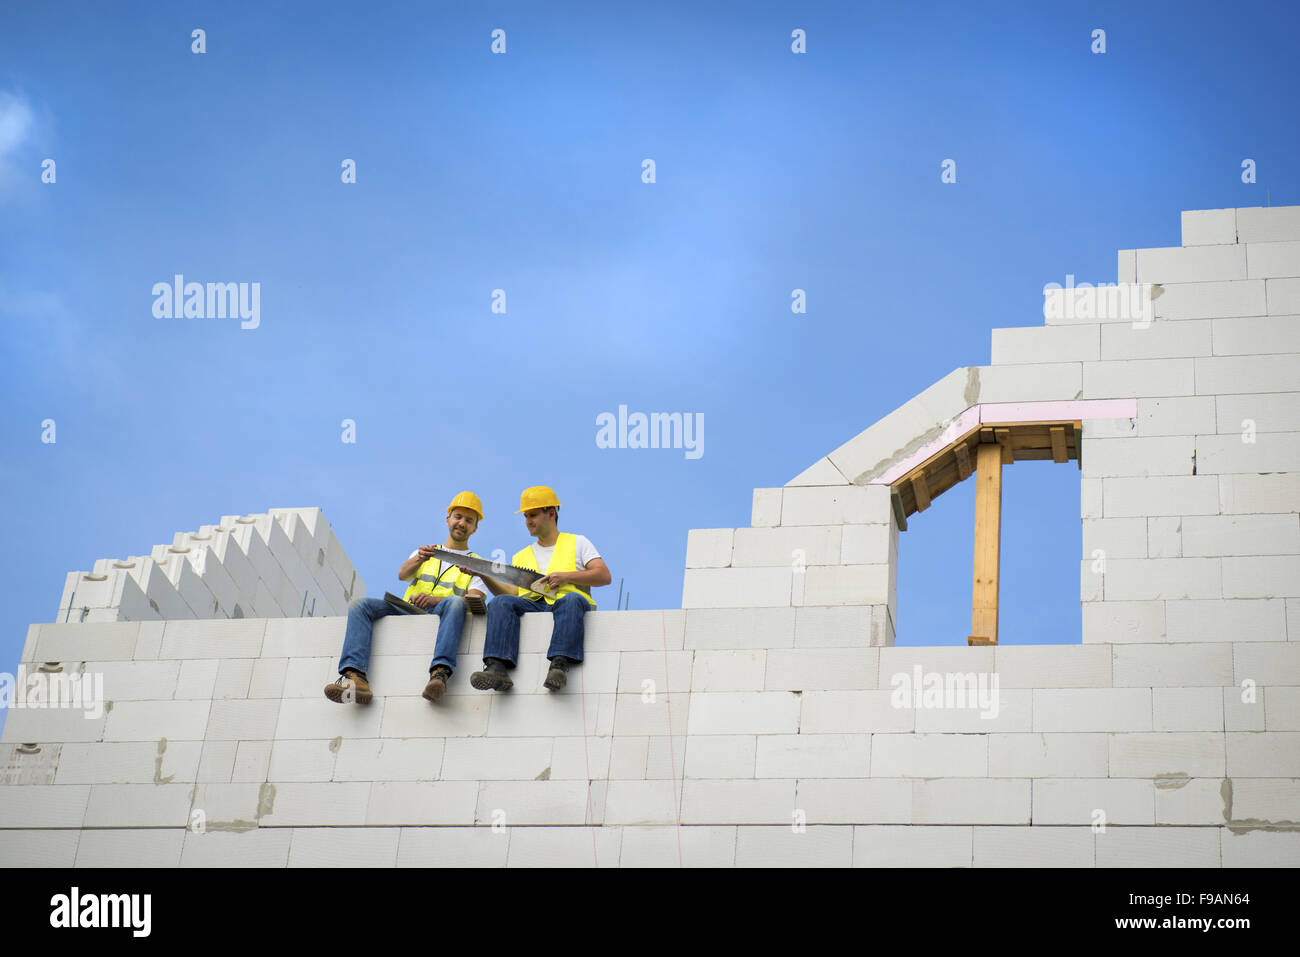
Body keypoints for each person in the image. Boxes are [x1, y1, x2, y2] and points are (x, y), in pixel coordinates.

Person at [324, 491, 508, 705]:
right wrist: (419, 559)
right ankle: (355, 678)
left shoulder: (477, 565)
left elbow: (474, 600)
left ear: (475, 528)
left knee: (456, 601)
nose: (462, 523)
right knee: (360, 605)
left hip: (444, 612)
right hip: (408, 609)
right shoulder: (426, 552)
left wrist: (433, 600)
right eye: (458, 517)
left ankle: (439, 674)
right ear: (448, 519)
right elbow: (402, 574)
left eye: (469, 520)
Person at [470, 486, 611, 692]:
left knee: (571, 600)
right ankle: (497, 669)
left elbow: (603, 576)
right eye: (526, 516)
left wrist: (566, 577)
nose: (528, 521)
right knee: (500, 602)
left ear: (551, 513)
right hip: (533, 605)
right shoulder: (521, 555)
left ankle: (559, 666)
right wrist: (483, 574)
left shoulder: (578, 542)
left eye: (533, 515)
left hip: (567, 606)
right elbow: (511, 594)